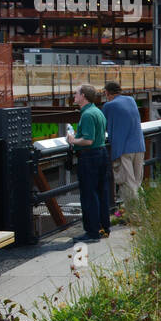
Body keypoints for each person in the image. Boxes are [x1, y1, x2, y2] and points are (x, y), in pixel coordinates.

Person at [67, 85, 110, 243]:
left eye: (76, 93)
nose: (74, 96)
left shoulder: (87, 115)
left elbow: (87, 140)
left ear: (83, 96)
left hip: (90, 156)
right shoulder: (97, 111)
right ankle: (104, 227)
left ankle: (92, 232)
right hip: (101, 153)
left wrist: (72, 140)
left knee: (89, 195)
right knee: (101, 192)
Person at [102, 80, 144, 207]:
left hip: (123, 149)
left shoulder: (109, 106)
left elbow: (102, 125)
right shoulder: (131, 100)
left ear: (107, 93)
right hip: (139, 146)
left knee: (128, 183)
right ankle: (142, 211)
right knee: (137, 183)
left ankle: (136, 216)